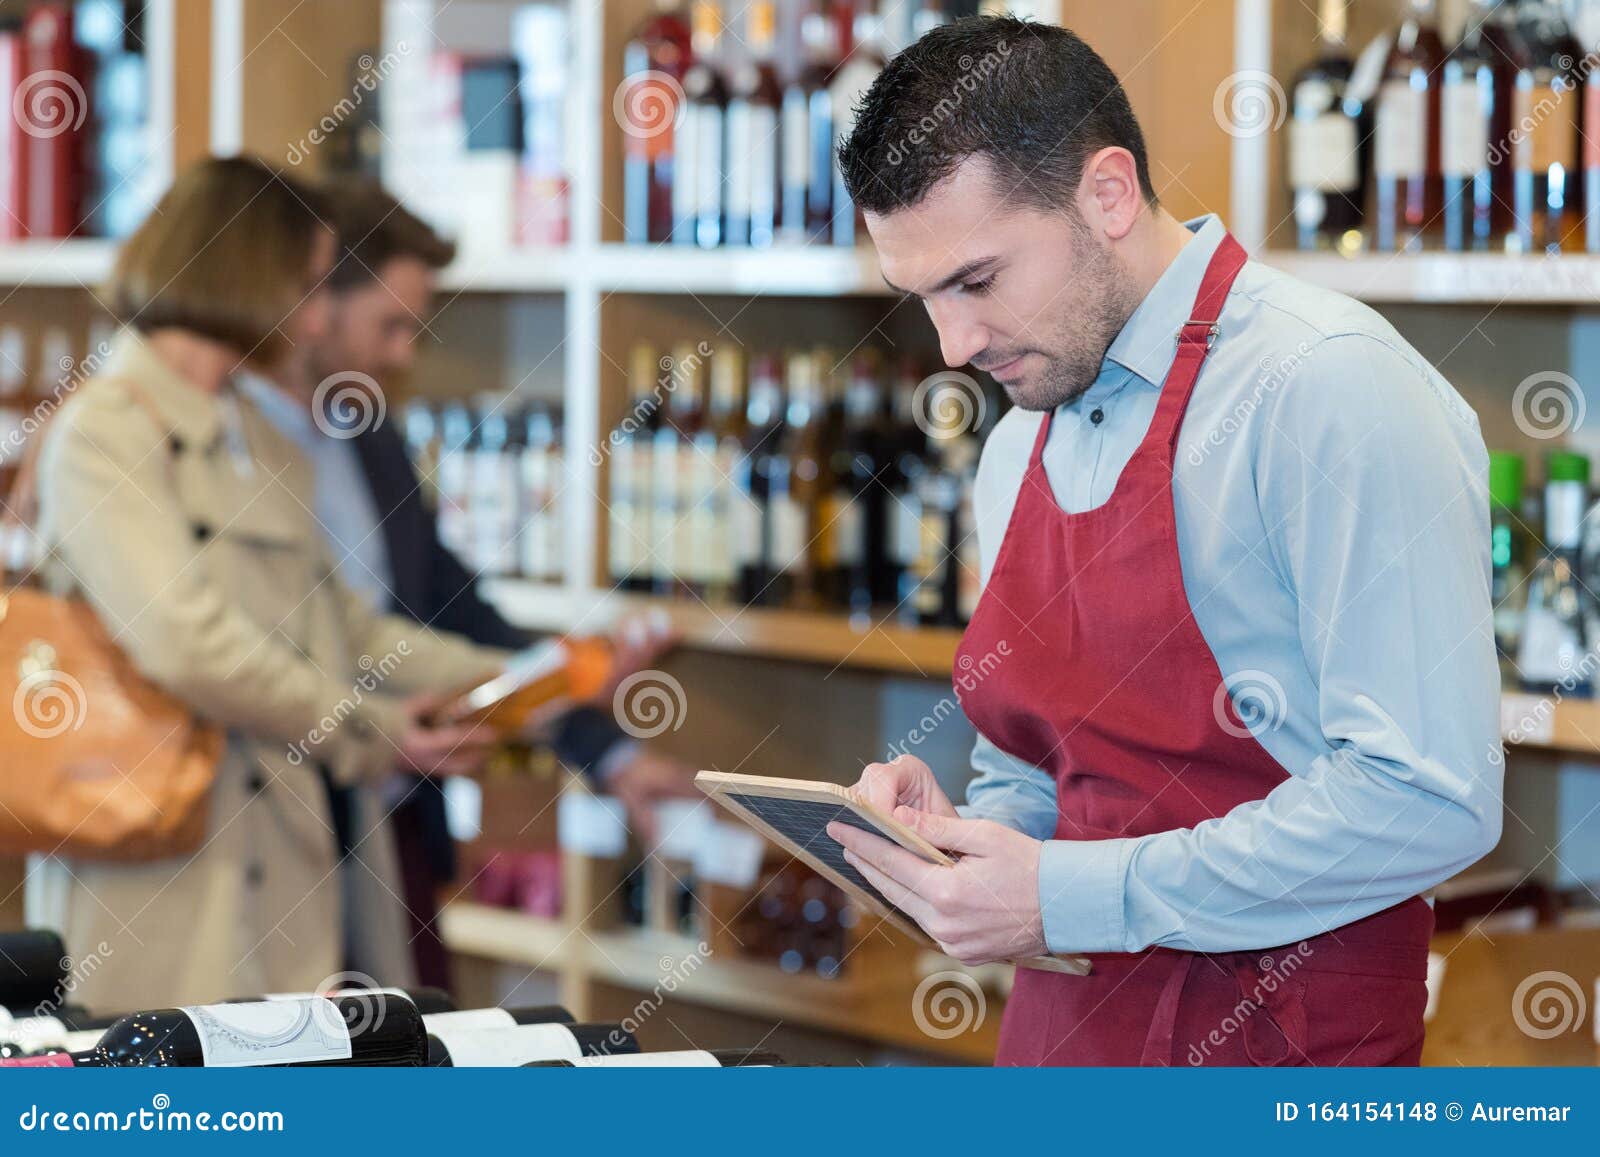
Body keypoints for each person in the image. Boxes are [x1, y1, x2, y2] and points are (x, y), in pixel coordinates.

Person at [827, 17, 1502, 1066]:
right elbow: (1049, 776)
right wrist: (956, 846)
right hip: (1061, 1047)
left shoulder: (1325, 386)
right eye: (922, 300)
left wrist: (1070, 894)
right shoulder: (1017, 445)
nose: (953, 345)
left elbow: (1428, 796)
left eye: (975, 281)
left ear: (1105, 193)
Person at [28, 157, 508, 1011]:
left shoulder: (256, 431)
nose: (321, 315)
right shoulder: (105, 431)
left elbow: (344, 627)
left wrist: (513, 679)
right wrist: (375, 729)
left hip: (295, 860)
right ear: (252, 276)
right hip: (168, 876)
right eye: (313, 284)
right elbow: (186, 638)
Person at [242, 177, 697, 986]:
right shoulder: (221, 445)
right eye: (390, 325)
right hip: (261, 843)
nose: (402, 356)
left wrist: (605, 743)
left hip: (391, 830)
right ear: (315, 298)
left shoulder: (370, 435)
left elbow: (459, 615)